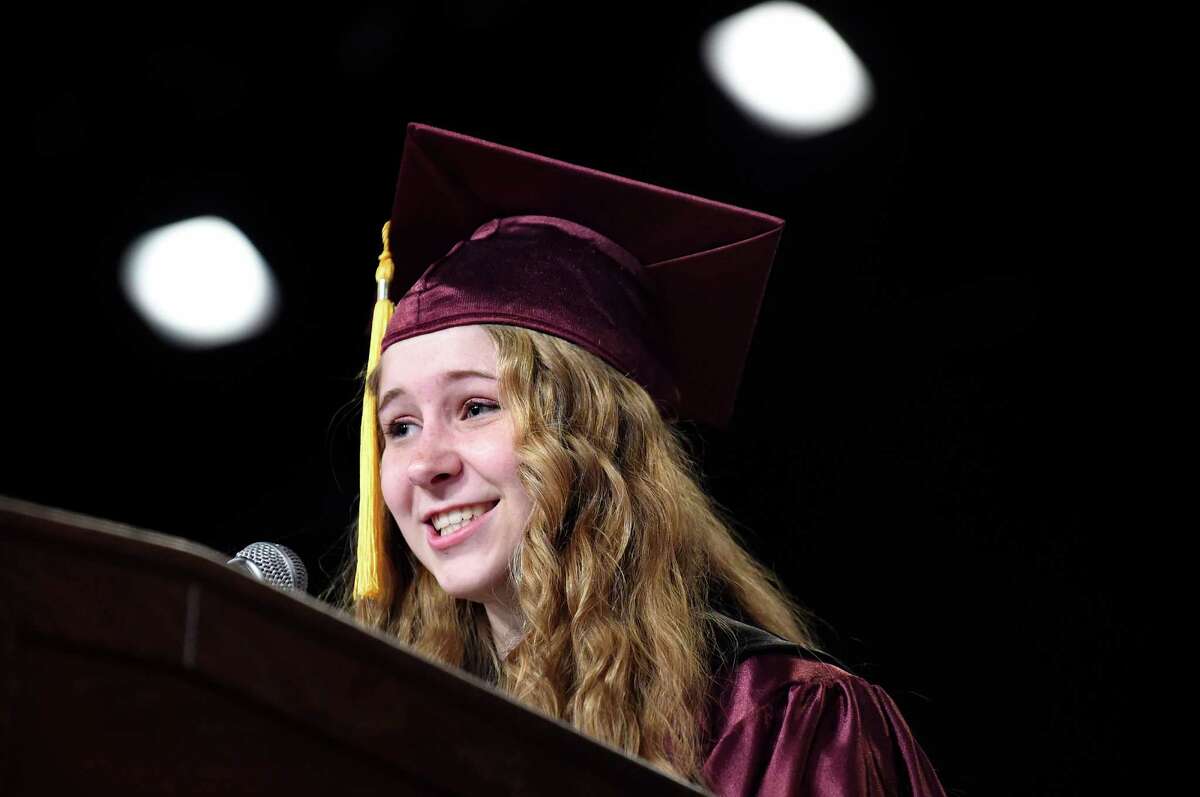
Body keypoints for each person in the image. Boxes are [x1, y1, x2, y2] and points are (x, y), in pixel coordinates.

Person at [328, 122, 948, 796]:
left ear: (596, 438)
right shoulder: (401, 733)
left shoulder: (774, 722)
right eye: (400, 426)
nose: (425, 464)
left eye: (476, 407)